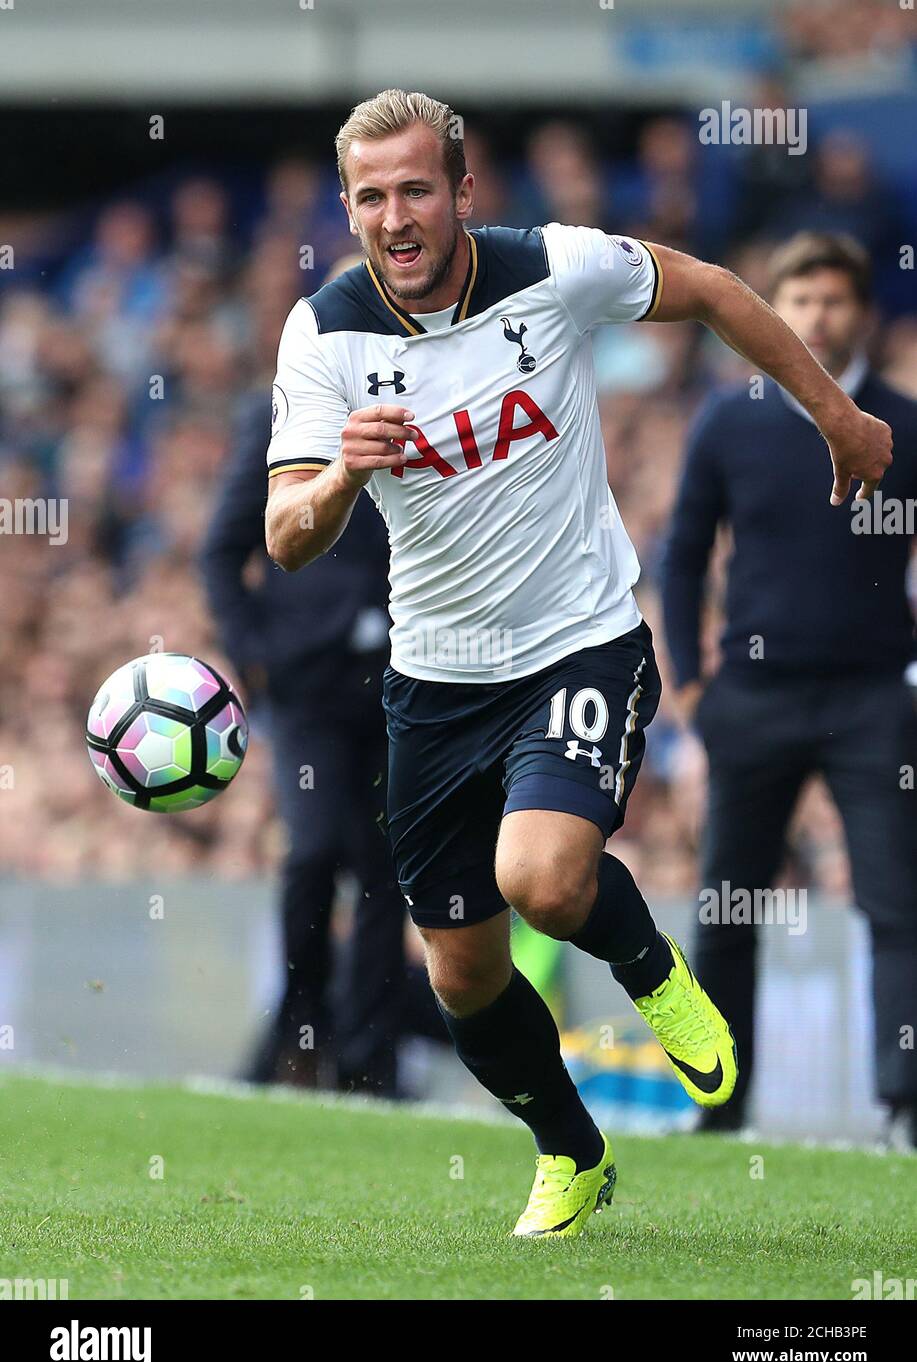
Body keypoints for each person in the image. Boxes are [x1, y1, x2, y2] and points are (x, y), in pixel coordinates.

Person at [263, 90, 892, 1237]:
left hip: (576, 640)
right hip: (433, 681)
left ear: (461, 191)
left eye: (415, 189)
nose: (394, 217)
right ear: (347, 210)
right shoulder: (324, 333)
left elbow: (708, 289)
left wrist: (833, 414)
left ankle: (654, 975)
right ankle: (571, 1149)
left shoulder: (553, 268)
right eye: (368, 197)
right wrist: (338, 479)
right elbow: (283, 538)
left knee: (543, 878)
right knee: (458, 974)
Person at [662, 233, 917, 1146]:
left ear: (863, 312)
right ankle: (717, 1106)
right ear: (772, 312)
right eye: (797, 300)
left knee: (896, 906)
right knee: (726, 910)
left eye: (834, 300)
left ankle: (903, 1105)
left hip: (873, 701)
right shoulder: (729, 421)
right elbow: (682, 557)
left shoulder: (902, 424)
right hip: (754, 700)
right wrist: (689, 689)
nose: (816, 316)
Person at [201, 385, 411, 1096]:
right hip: (309, 690)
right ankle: (301, 1034)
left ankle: (370, 1064)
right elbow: (223, 548)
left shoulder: (432, 405)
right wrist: (254, 653)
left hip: (400, 682)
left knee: (388, 871)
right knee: (313, 851)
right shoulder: (281, 417)